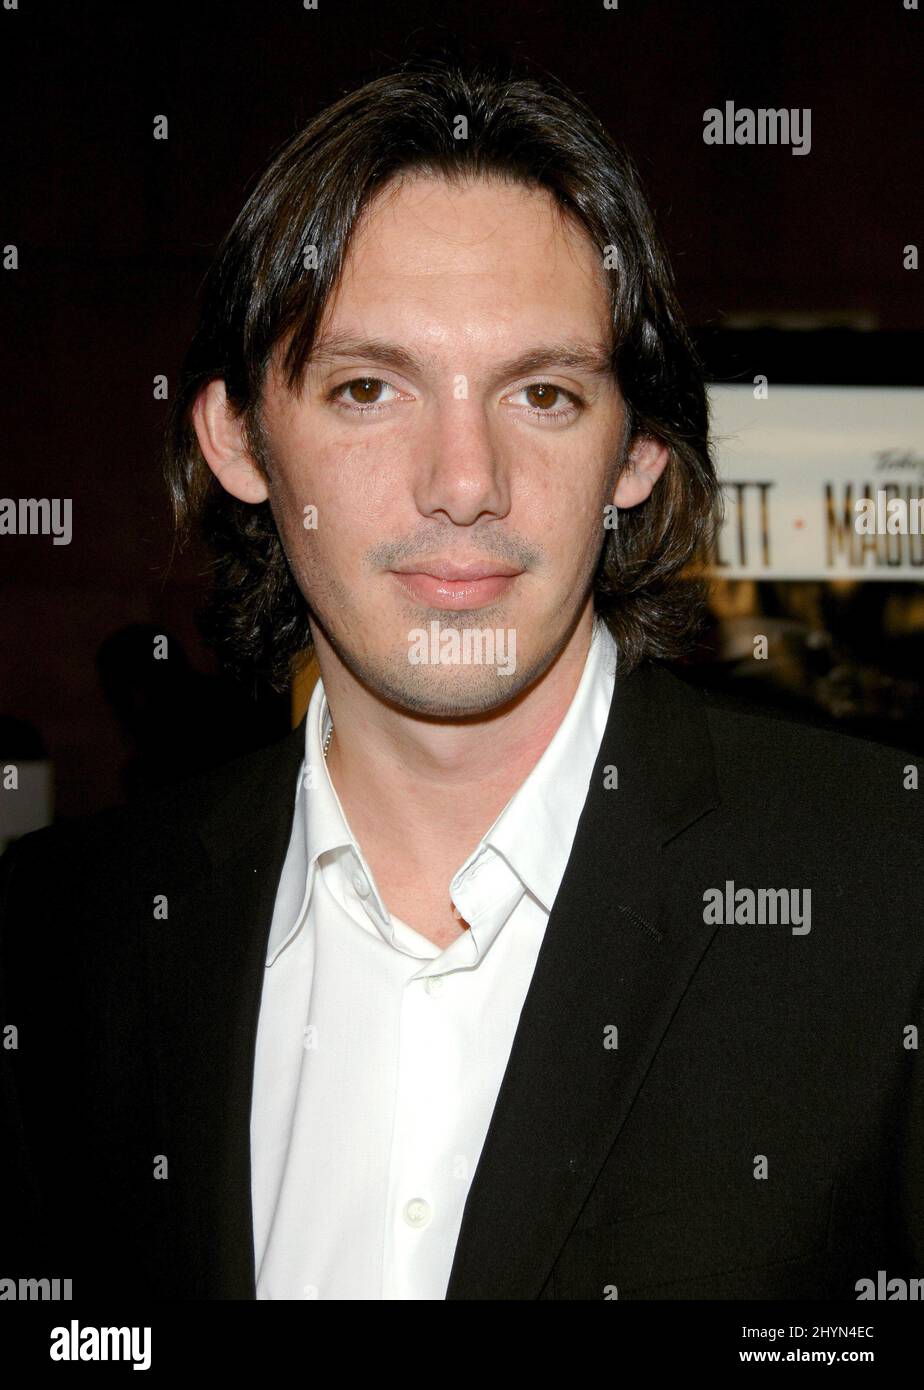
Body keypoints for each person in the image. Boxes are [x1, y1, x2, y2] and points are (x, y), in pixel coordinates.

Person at [1, 57, 921, 1302]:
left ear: (638, 452)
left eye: (541, 394)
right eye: (369, 387)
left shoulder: (889, 894)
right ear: (237, 438)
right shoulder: (55, 939)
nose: (462, 479)